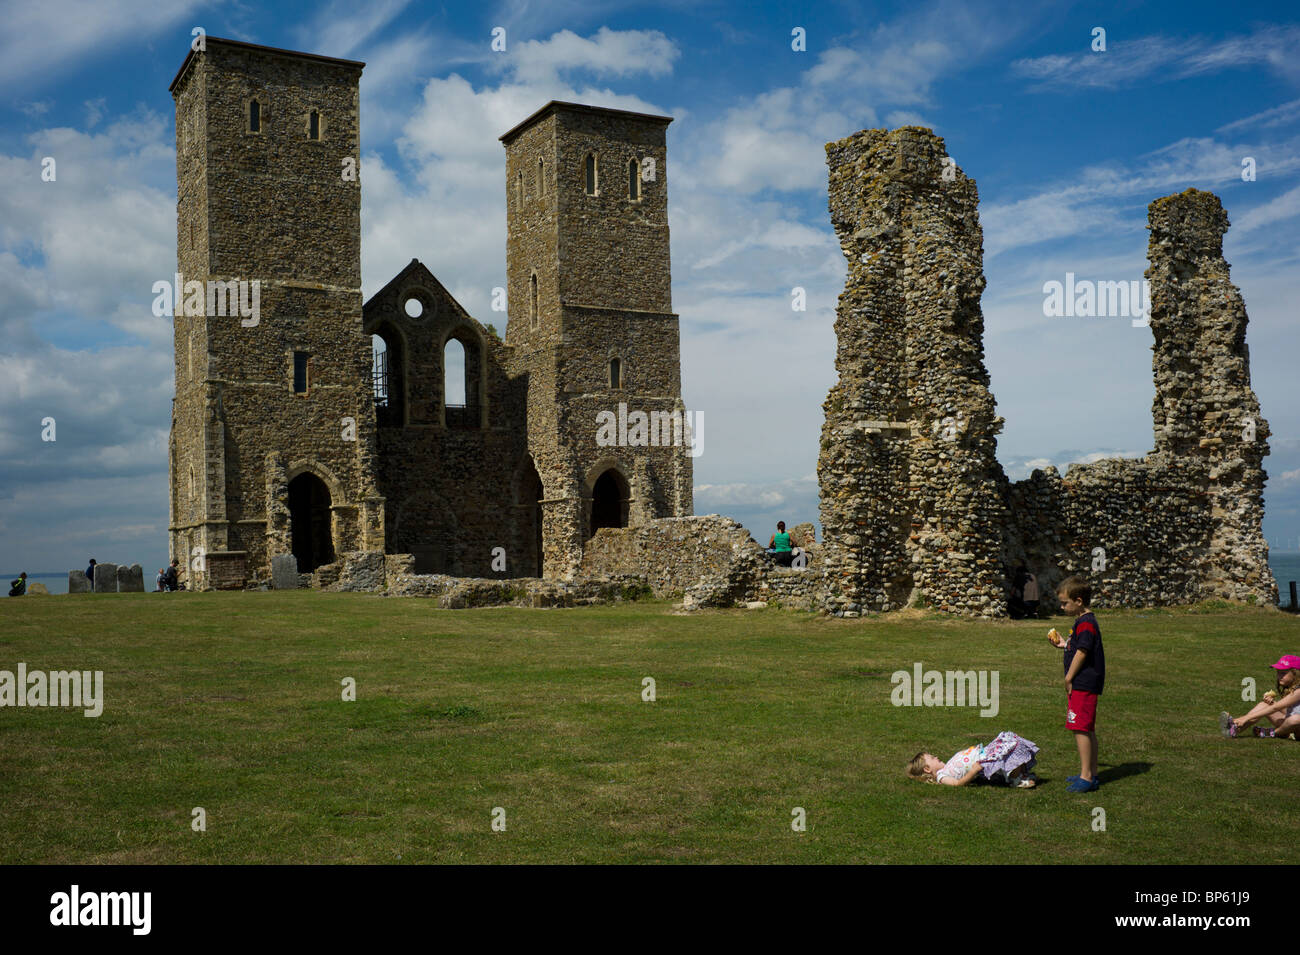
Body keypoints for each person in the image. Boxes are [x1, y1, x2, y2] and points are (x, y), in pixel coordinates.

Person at [1047, 575, 1105, 792]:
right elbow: (1077, 646)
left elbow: (1083, 652)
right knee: (1086, 728)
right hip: (1085, 683)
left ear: (1079, 601)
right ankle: (1091, 773)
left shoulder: (1087, 623)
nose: (1062, 607)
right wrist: (1064, 644)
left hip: (1083, 683)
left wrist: (1069, 677)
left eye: (1065, 603)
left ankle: (1087, 777)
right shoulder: (1083, 622)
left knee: (1080, 728)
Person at [907, 731, 1040, 788]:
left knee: (1009, 742)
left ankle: (1023, 775)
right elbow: (957, 784)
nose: (936, 757)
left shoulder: (947, 767)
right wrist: (973, 771)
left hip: (984, 754)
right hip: (982, 761)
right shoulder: (942, 776)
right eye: (932, 758)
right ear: (927, 769)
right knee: (1006, 751)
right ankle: (1016, 780)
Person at [1220, 655, 1300, 739]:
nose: (1279, 676)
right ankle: (1235, 729)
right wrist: (1272, 703)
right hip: (1294, 727)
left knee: (1295, 719)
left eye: (1283, 673)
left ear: (1296, 674)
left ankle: (1272, 733)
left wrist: (1245, 718)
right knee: (1264, 705)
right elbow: (1291, 710)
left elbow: (1276, 708)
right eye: (1278, 672)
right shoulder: (1291, 688)